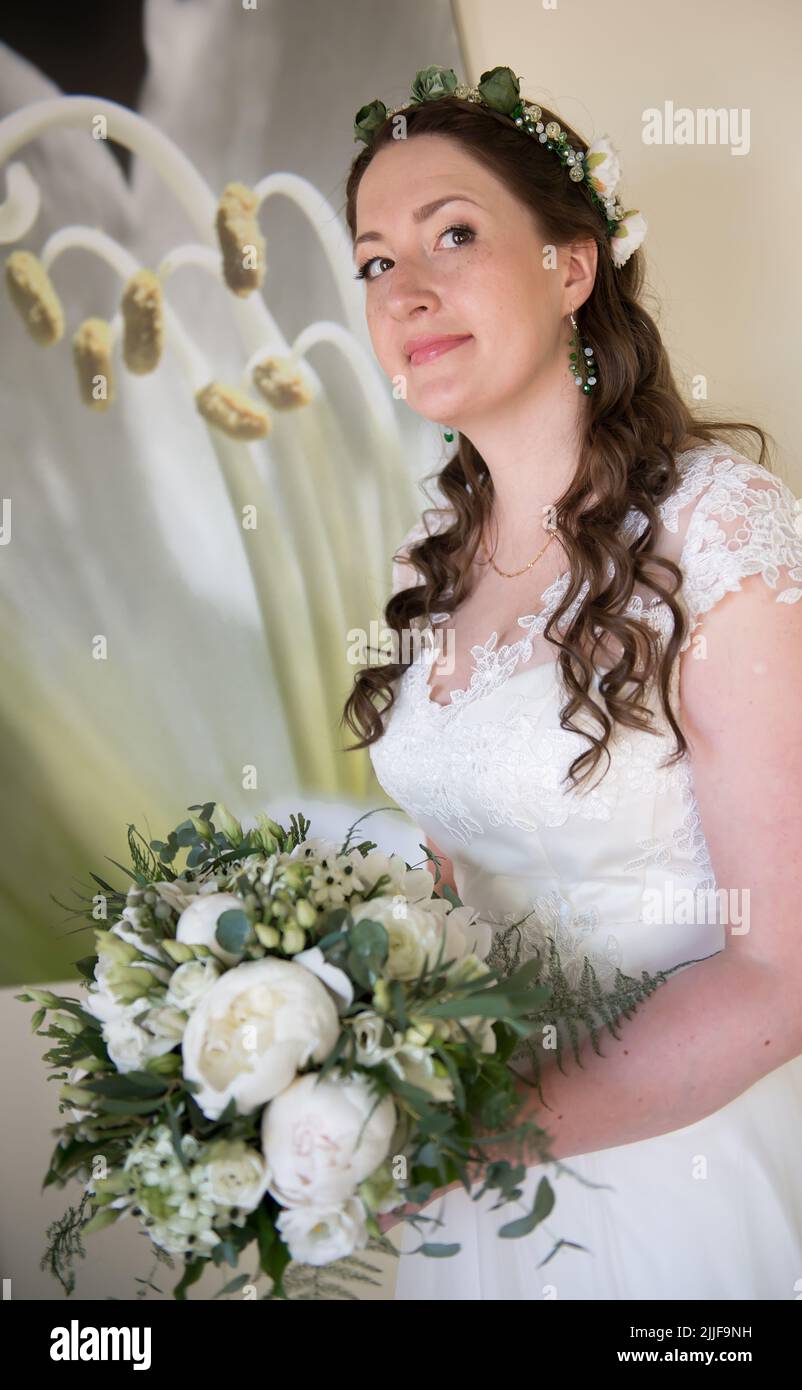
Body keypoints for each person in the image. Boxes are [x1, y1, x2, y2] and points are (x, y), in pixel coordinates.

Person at [340, 66, 802, 1299]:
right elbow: (459, 873)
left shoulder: (718, 532)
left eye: (452, 232)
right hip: (474, 1194)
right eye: (375, 262)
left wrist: (490, 1126)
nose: (408, 290)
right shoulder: (429, 552)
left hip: (676, 1177)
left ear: (569, 268)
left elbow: (783, 971)